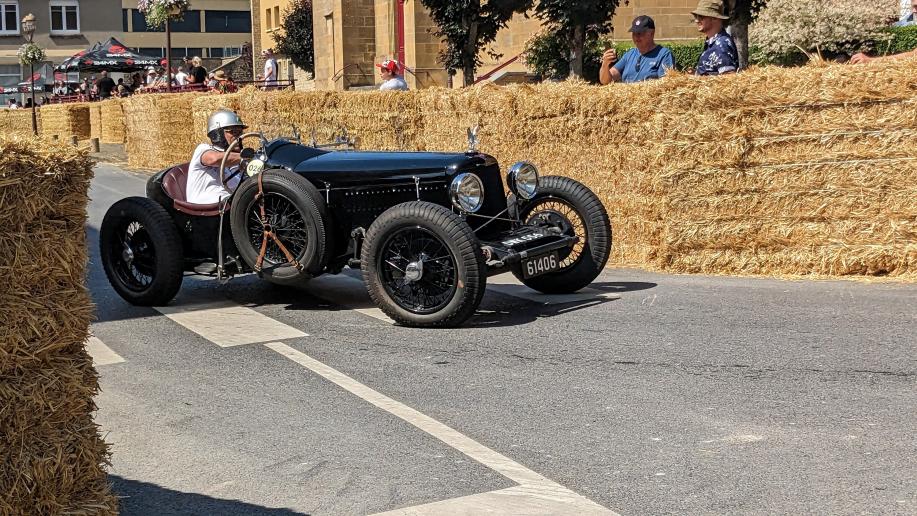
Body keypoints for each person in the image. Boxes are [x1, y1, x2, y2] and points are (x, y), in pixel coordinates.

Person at [186, 109, 247, 205]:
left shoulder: (234, 161)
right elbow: (214, 159)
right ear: (218, 134)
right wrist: (247, 157)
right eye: (233, 132)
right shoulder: (203, 149)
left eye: (240, 133)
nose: (239, 137)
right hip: (205, 205)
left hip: (228, 203)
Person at [600, 16, 674, 85]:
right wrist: (605, 64)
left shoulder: (664, 54)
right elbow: (605, 81)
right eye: (634, 33)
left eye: (640, 33)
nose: (636, 37)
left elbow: (666, 84)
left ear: (652, 33)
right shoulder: (629, 54)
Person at [692, 0, 739, 76]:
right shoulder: (712, 43)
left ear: (714, 18)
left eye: (701, 17)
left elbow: (728, 78)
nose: (696, 20)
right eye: (696, 16)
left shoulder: (722, 44)